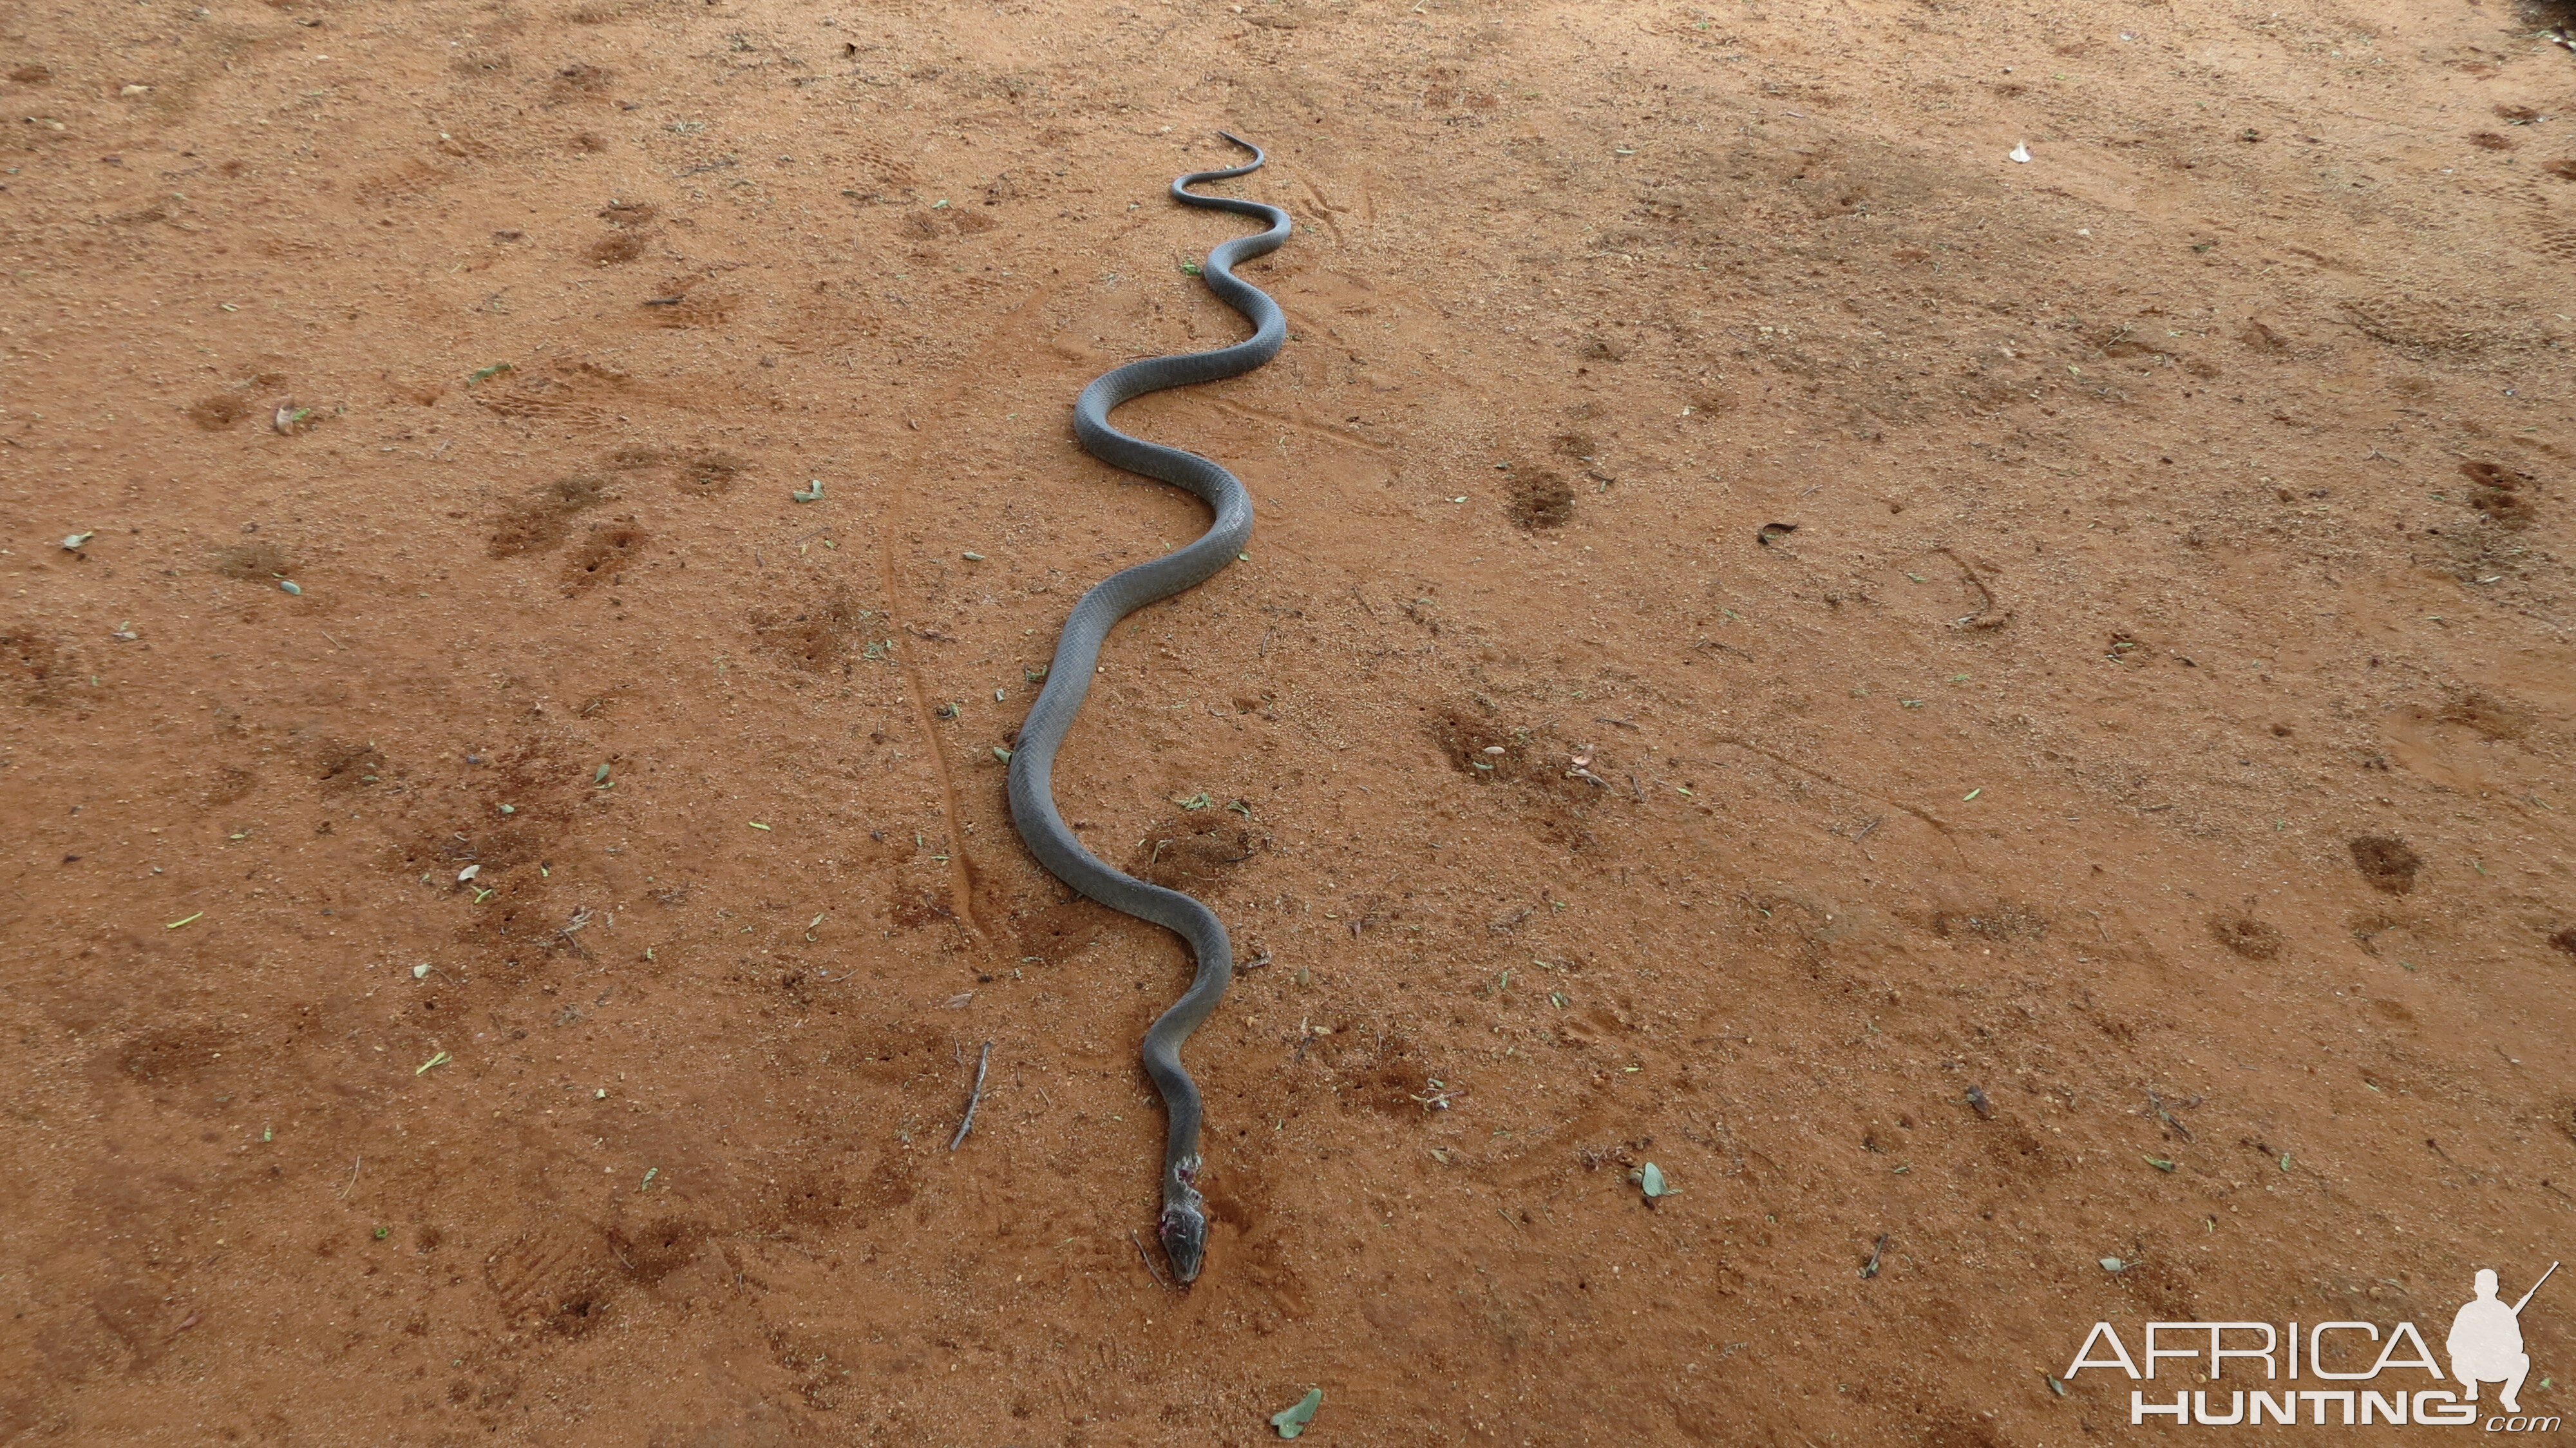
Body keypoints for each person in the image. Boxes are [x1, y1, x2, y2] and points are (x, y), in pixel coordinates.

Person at [2449, 1268, 2532, 1414]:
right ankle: (2471, 1385)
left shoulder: (2504, 1311)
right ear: (2476, 1288)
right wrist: (2473, 1346)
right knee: (2457, 1359)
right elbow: (2452, 1343)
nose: (2485, 1290)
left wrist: (2500, 1347)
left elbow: (2518, 1345)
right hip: (2472, 1366)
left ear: (2496, 1288)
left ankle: (2508, 1398)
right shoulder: (2467, 1310)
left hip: (2497, 1367)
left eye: (2489, 1286)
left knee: (2523, 1360)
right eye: (2482, 1286)